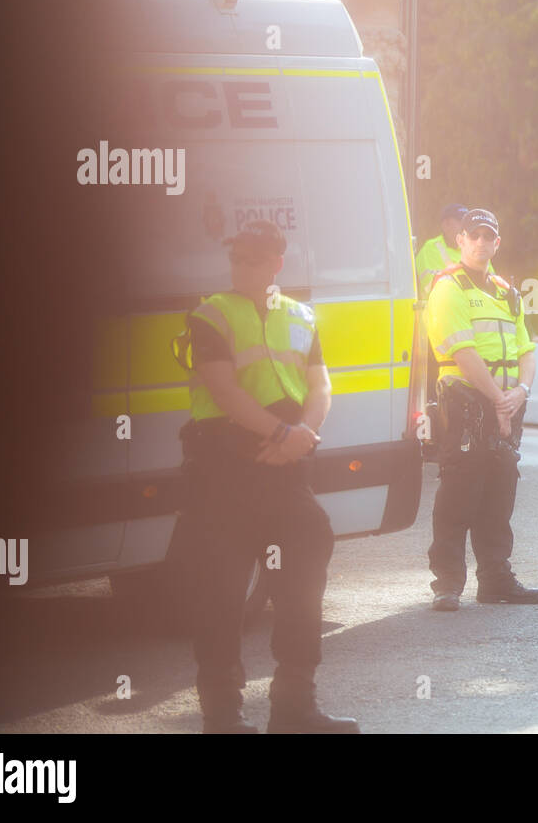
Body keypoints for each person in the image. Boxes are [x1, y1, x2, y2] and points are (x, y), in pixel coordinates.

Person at [177, 219, 358, 733]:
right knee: (220, 595)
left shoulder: (301, 316)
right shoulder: (210, 313)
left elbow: (321, 385)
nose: (242, 266)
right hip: (226, 470)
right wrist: (283, 434)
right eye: (236, 257)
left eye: (254, 258)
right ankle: (223, 719)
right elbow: (223, 391)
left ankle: (295, 708)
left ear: (277, 262)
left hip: (285, 468)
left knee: (304, 578)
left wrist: (302, 432)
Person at [424, 209, 538, 610]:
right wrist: (499, 399)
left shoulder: (505, 290)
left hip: (506, 401)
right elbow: (462, 352)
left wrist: (521, 392)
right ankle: (448, 582)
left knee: (499, 491)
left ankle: (495, 579)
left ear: (498, 242)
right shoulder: (448, 287)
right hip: (467, 400)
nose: (480, 242)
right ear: (459, 240)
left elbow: (528, 351)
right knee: (459, 491)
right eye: (472, 235)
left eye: (488, 236)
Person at [415, 203, 468, 298]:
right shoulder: (431, 248)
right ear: (445, 225)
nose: (466, 227)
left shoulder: (473, 247)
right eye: (461, 222)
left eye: (467, 223)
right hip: (439, 309)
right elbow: (431, 286)